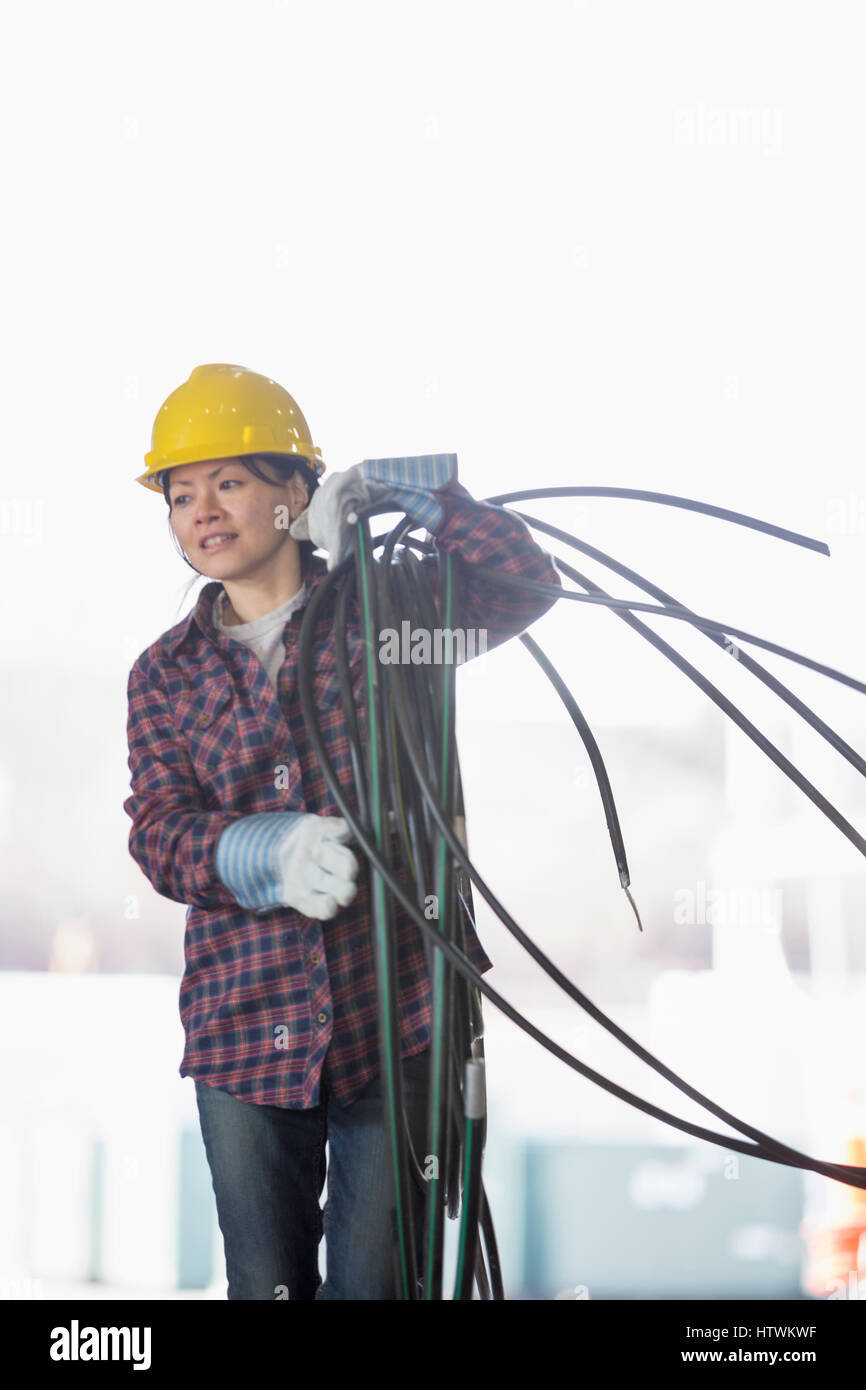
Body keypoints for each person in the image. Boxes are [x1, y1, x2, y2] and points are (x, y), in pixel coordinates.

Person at [124, 362, 559, 1299]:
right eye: (180, 493)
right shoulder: (163, 675)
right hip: (242, 1031)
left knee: (378, 1288)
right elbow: (159, 833)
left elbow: (523, 586)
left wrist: (427, 496)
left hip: (398, 1017)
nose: (202, 509)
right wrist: (259, 852)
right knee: (265, 1287)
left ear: (298, 489)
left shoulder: (390, 610)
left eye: (230, 481)